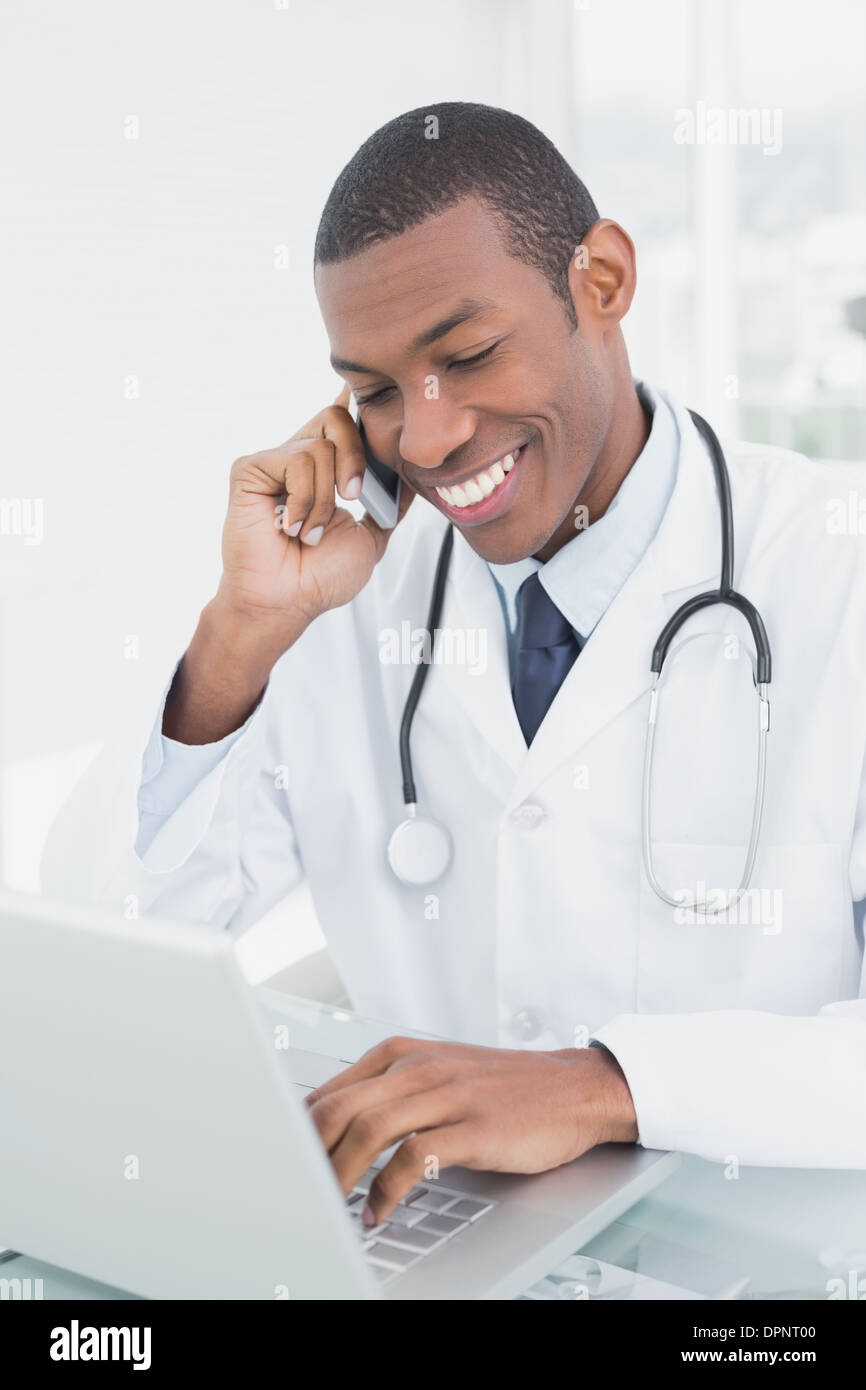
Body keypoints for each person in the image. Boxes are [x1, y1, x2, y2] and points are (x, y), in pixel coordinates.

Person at [43, 103, 866, 1227]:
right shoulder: (341, 590)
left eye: (466, 355)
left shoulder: (835, 566)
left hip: (751, 1275)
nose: (422, 442)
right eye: (375, 391)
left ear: (603, 282)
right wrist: (241, 627)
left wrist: (605, 1086)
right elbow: (102, 949)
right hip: (432, 1251)